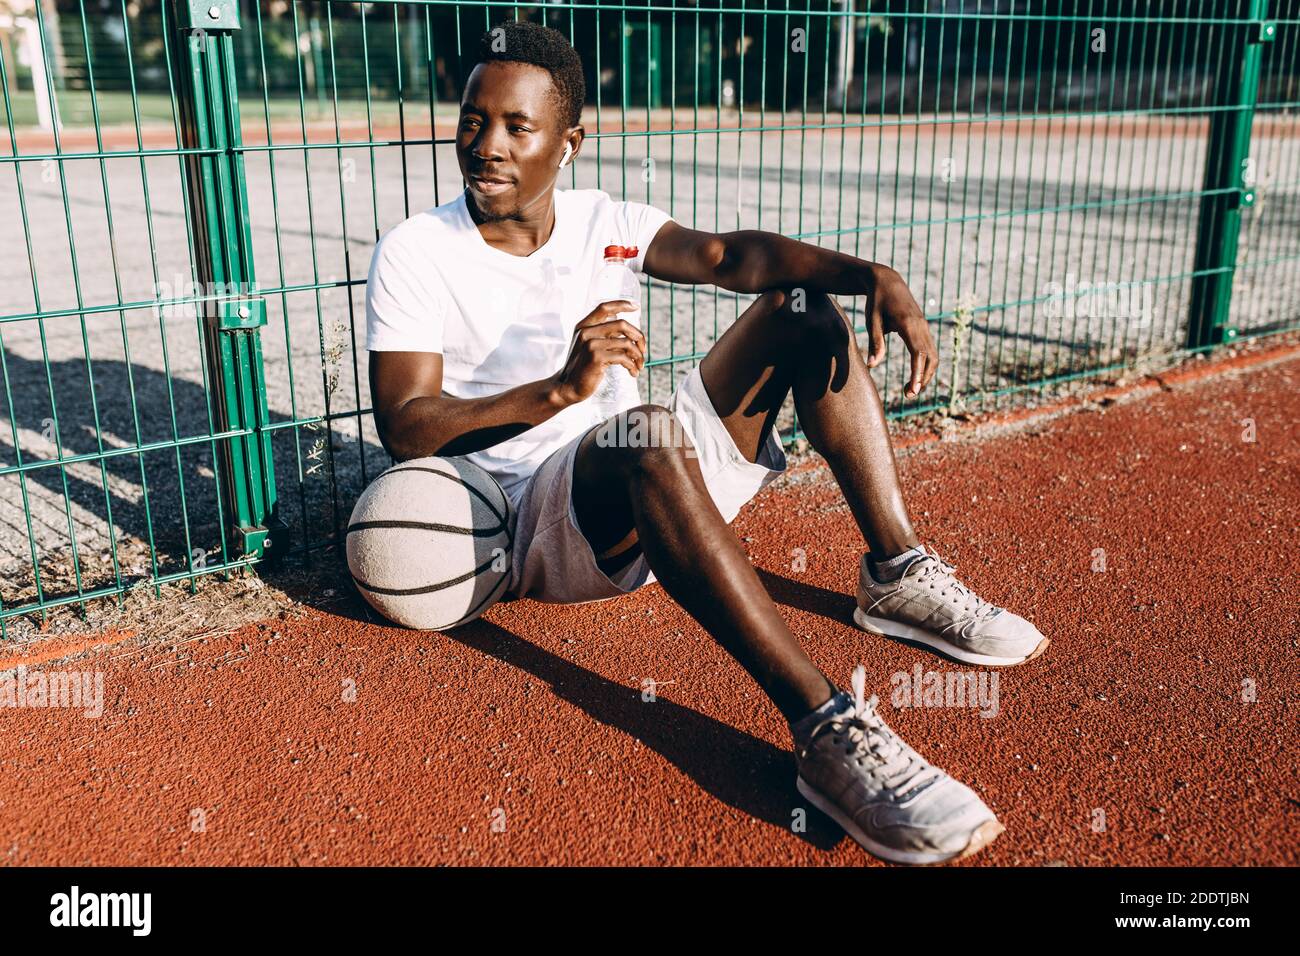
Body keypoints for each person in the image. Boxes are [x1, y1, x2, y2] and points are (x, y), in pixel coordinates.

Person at [365, 20, 1048, 865]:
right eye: (473, 120)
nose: (485, 146)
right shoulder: (418, 251)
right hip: (537, 518)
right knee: (644, 433)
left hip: (653, 473)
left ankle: (895, 574)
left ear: (567, 144)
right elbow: (405, 426)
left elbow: (731, 254)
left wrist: (866, 274)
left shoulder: (605, 223)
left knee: (801, 310)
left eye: (516, 126)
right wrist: (559, 391)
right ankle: (827, 730)